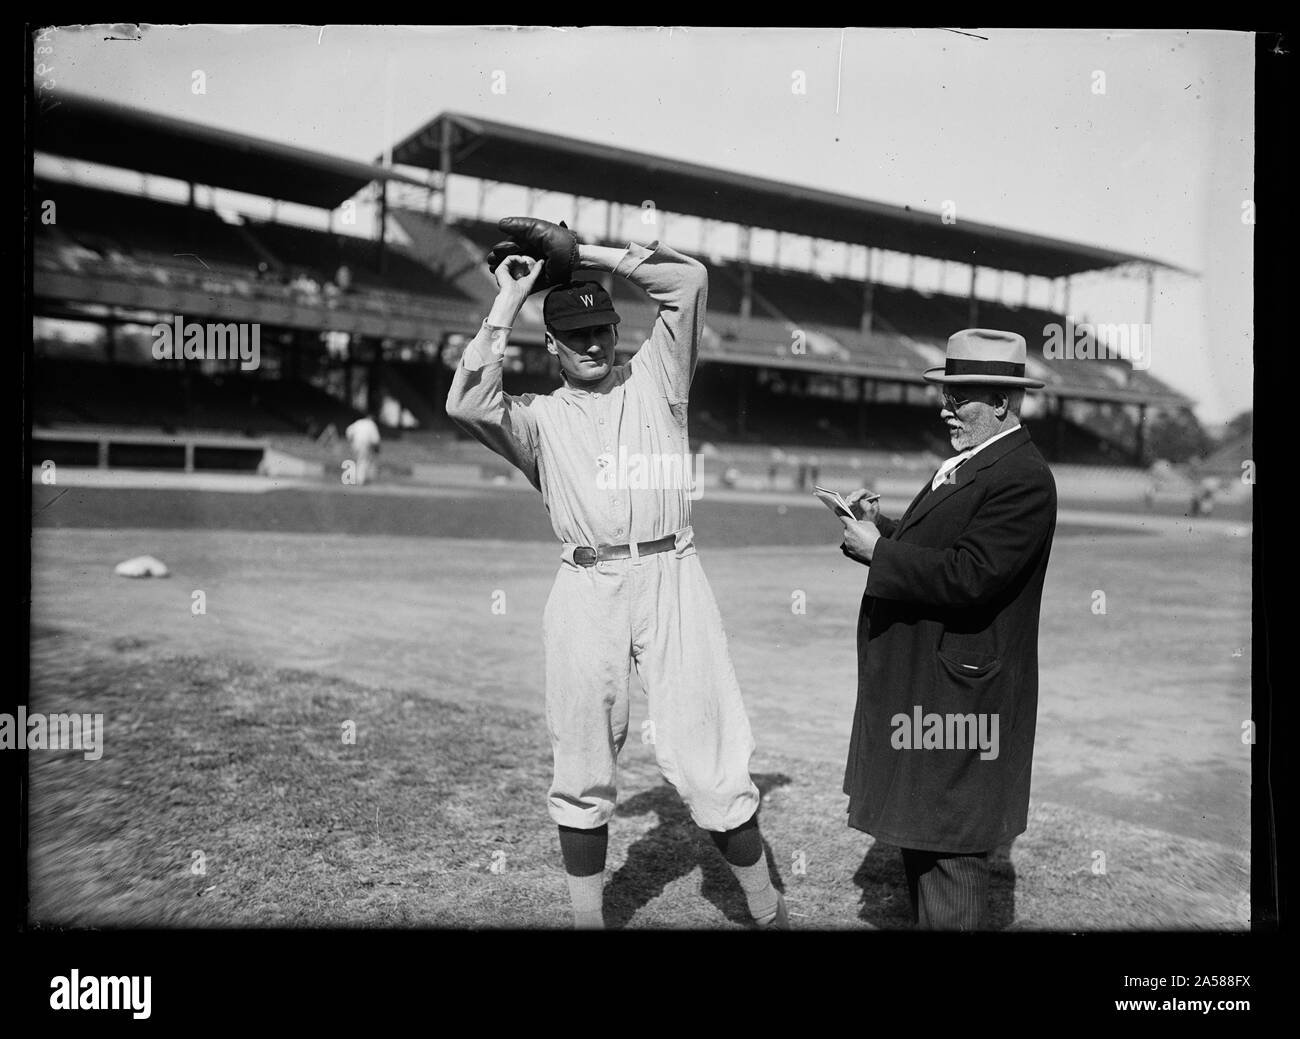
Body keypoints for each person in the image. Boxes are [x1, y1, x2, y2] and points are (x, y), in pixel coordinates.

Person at [445, 216, 786, 930]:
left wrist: (580, 257)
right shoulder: (536, 419)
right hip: (585, 584)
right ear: (554, 344)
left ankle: (767, 908)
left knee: (708, 756)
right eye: (575, 335)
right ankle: (586, 920)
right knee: (582, 756)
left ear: (615, 330)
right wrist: (513, 296)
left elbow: (687, 282)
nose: (593, 344)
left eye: (601, 329)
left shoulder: (659, 376)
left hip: (671, 575)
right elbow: (466, 400)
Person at [836, 328, 1058, 930]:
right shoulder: (980, 461)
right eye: (946, 394)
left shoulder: (1023, 475)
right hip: (936, 685)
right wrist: (881, 524)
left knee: (953, 846)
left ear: (1002, 403)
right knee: (925, 833)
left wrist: (879, 554)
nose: (945, 409)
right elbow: (953, 542)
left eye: (959, 398)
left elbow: (972, 575)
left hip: (964, 692)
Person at [344, 412, 381, 485]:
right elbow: (375, 438)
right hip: (365, 444)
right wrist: (377, 448)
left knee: (358, 460)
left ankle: (353, 478)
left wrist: (350, 441)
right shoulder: (371, 424)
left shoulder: (359, 422)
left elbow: (348, 431)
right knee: (363, 461)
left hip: (355, 443)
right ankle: (360, 480)